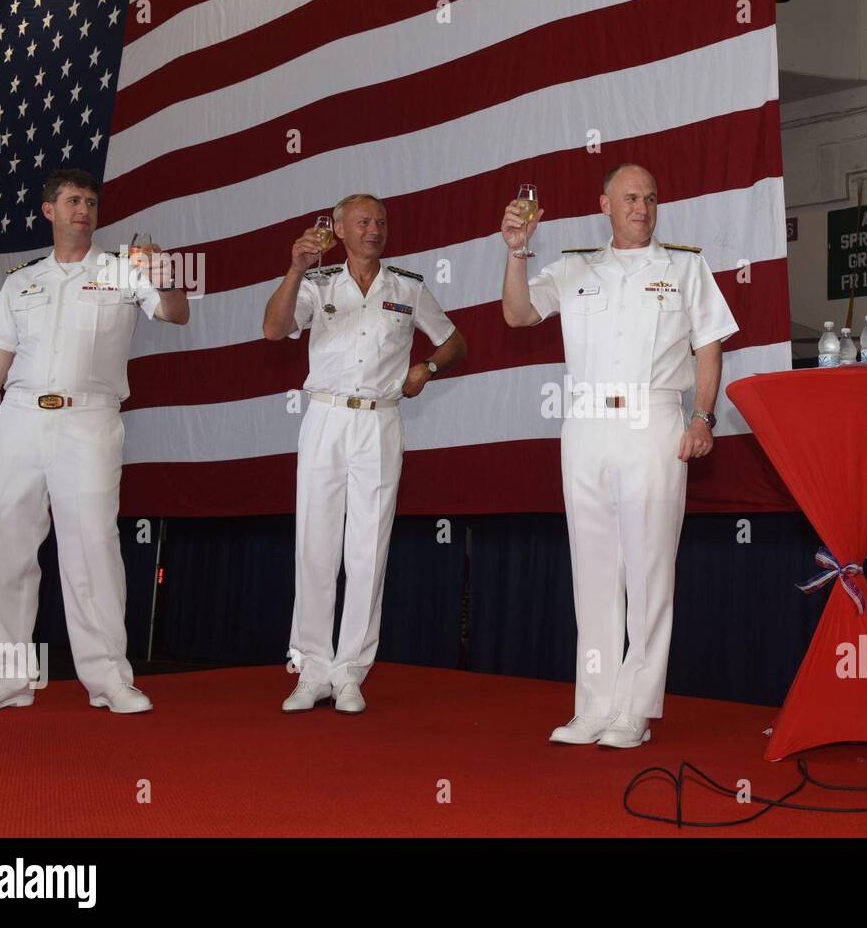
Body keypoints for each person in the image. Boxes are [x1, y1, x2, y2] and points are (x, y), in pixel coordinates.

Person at [500, 164, 739, 748]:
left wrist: (703, 416)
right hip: (584, 422)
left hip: (653, 420)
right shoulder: (575, 265)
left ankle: (634, 707)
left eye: (651, 198)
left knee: (650, 568)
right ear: (603, 203)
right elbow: (517, 314)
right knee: (594, 571)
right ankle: (593, 705)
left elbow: (709, 347)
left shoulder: (683, 266)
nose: (642, 207)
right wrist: (515, 252)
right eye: (630, 197)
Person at [0, 168, 189, 714]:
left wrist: (165, 275)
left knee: (92, 549)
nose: (83, 208)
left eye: (90, 201)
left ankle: (108, 679)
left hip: (90, 423)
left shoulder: (125, 271)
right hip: (19, 421)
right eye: (72, 200)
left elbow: (176, 314)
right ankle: (9, 678)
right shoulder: (20, 281)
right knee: (7, 549)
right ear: (48, 210)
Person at [264, 194, 466, 714]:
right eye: (362, 221)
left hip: (379, 419)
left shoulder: (408, 287)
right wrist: (293, 268)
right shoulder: (317, 282)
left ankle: (351, 671)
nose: (373, 229)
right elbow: (273, 327)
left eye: (380, 221)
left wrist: (429, 369)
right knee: (315, 542)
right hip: (326, 417)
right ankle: (311, 668)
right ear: (337, 227)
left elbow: (453, 341)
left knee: (368, 548)